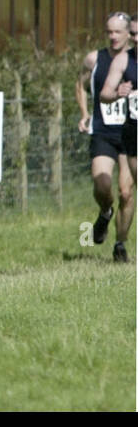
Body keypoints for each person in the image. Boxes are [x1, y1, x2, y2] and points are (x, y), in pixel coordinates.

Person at [78, 13, 134, 262]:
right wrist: (84, 113)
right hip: (103, 130)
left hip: (129, 132)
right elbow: (80, 84)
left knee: (125, 192)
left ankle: (120, 244)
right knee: (101, 184)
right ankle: (105, 212)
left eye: (118, 32)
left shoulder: (131, 60)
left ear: (127, 34)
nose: (113, 36)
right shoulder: (95, 58)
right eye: (108, 32)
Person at [99, 14, 138, 263]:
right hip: (133, 132)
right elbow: (104, 94)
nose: (136, 38)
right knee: (126, 192)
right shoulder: (125, 60)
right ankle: (120, 243)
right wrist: (117, 93)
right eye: (133, 34)